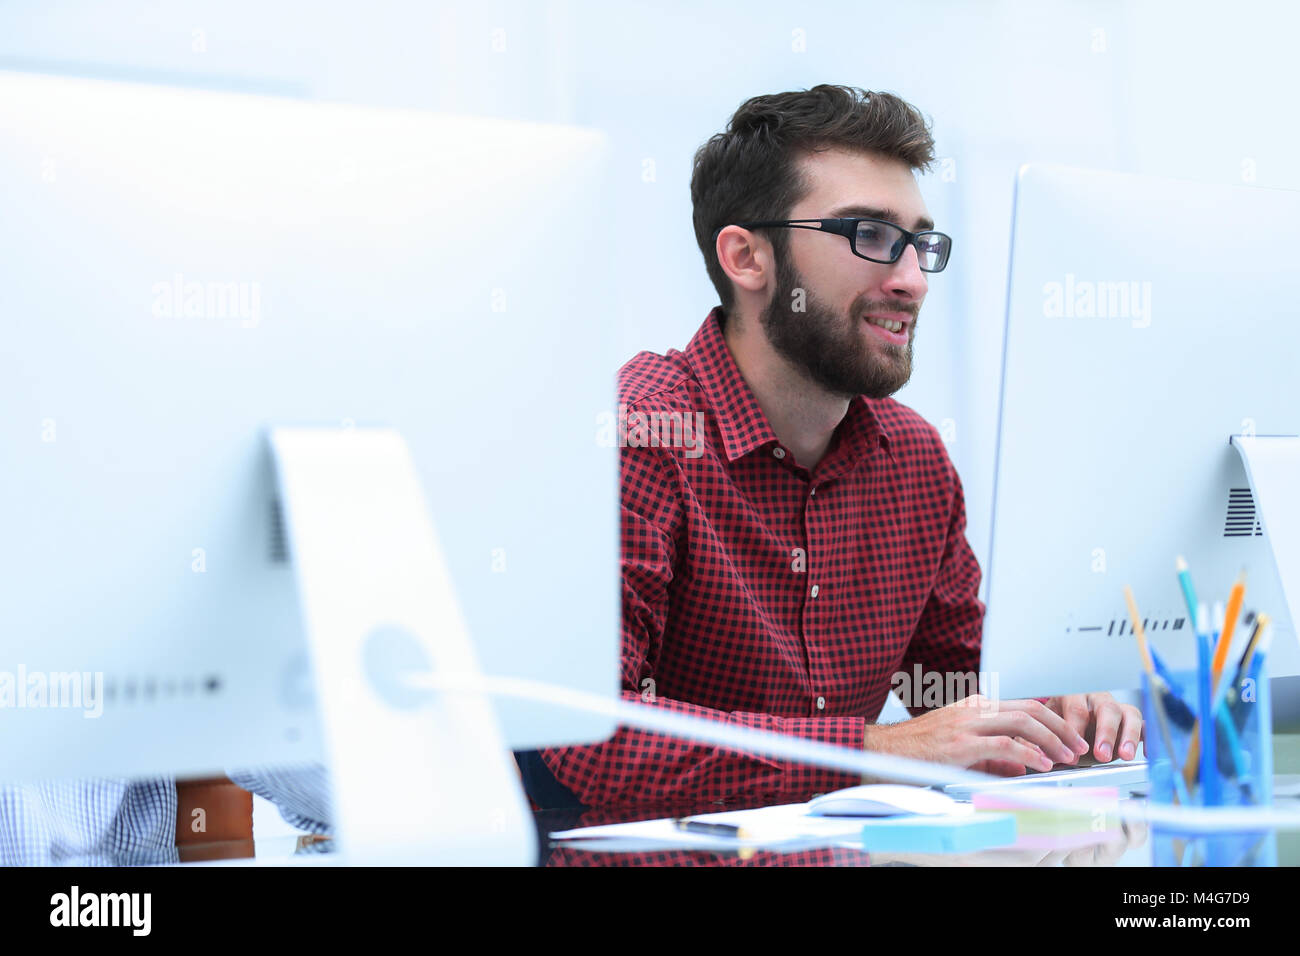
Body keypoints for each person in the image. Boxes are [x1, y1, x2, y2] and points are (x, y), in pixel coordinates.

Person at [517, 85, 1142, 810]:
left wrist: (1046, 713)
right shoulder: (642, 433)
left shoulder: (912, 459)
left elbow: (950, 686)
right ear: (748, 258)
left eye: (919, 243)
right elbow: (587, 733)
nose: (911, 281)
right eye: (870, 237)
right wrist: (872, 751)